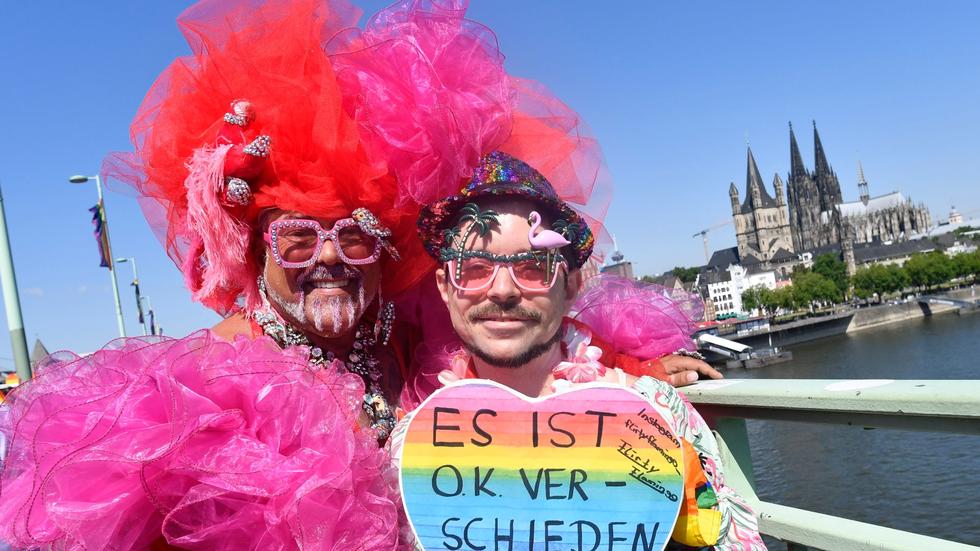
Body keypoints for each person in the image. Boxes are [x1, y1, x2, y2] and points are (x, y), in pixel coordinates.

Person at [0, 0, 441, 548]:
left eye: (354, 235)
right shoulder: (204, 384)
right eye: (299, 237)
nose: (330, 256)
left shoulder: (420, 350)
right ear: (254, 252)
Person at [391, 149, 766, 550]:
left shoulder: (653, 413)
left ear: (570, 287)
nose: (502, 290)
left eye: (532, 267)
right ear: (445, 288)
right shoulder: (414, 445)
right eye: (474, 269)